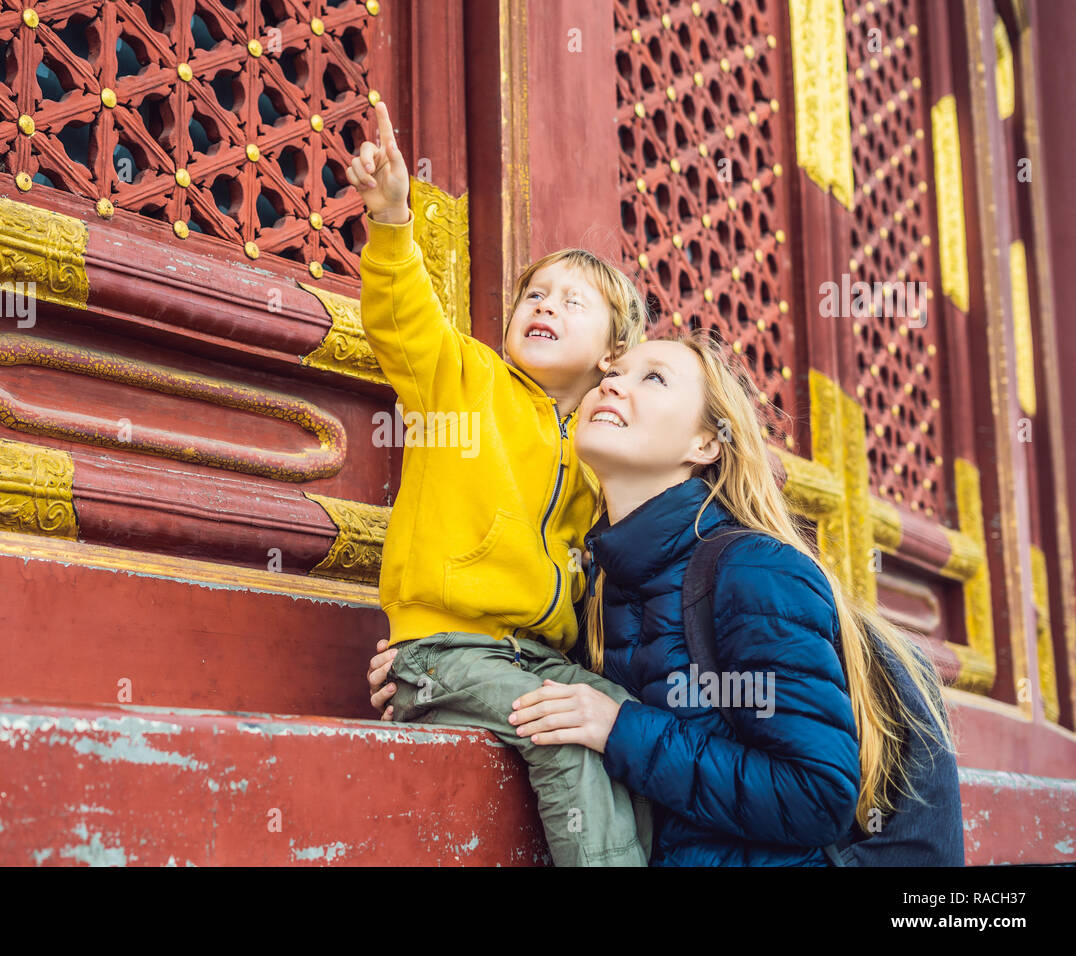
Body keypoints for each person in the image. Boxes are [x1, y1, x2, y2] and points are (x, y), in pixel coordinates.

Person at [504, 332, 958, 865]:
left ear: (705, 443)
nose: (612, 386)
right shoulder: (598, 583)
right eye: (612, 374)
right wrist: (434, 661)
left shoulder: (753, 572)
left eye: (652, 377)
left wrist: (620, 729)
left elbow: (815, 795)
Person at [349, 100, 651, 865]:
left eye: (569, 301)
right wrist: (391, 222)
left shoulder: (599, 449)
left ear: (613, 353)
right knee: (569, 736)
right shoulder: (466, 380)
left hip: (536, 659)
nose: (543, 305)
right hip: (444, 653)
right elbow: (404, 321)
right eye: (533, 296)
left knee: (629, 728)